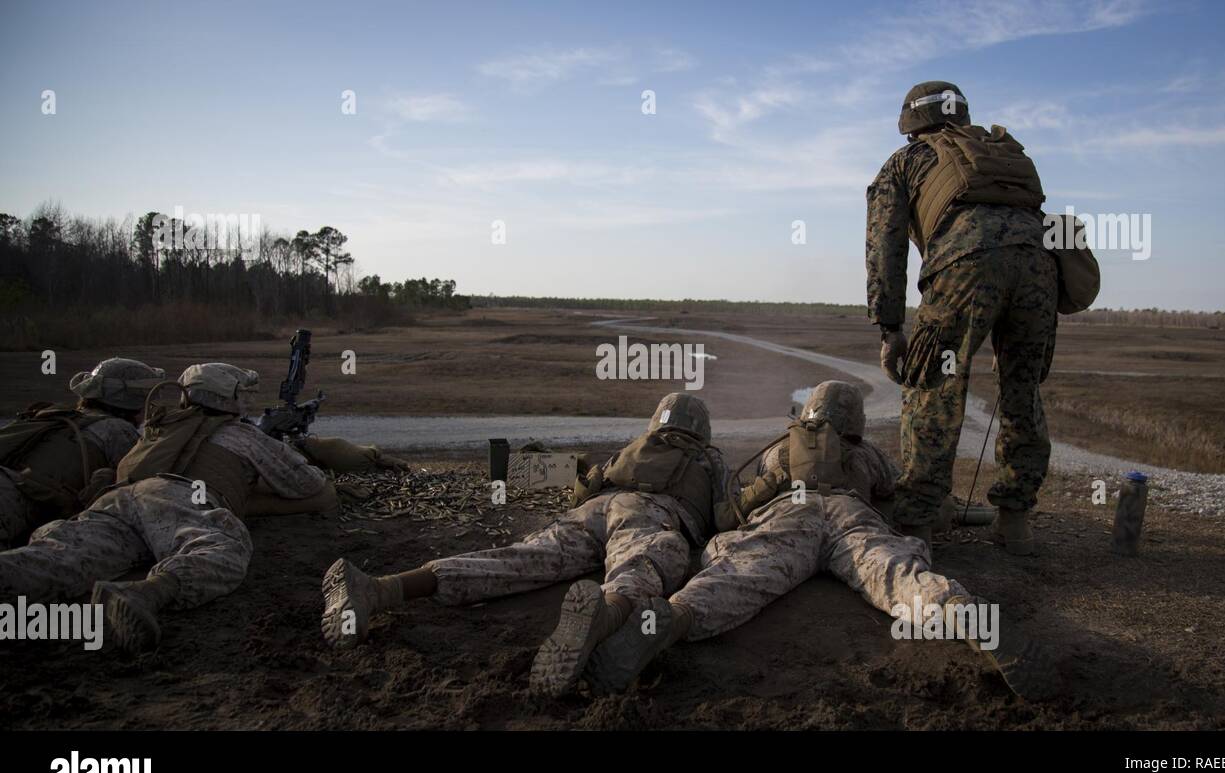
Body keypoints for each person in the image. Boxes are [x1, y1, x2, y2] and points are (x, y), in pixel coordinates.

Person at [584, 381, 1058, 700]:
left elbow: (739, 508)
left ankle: (671, 618)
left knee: (741, 575)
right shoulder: (868, 454)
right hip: (853, 518)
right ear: (854, 419)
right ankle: (963, 613)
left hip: (789, 513)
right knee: (898, 577)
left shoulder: (777, 450)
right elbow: (911, 503)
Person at [320, 392, 733, 697]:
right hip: (649, 514)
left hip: (592, 511)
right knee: (646, 563)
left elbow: (583, 488)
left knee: (520, 558)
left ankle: (381, 588)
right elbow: (726, 518)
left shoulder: (633, 449)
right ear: (703, 429)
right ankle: (602, 619)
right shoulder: (708, 459)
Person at [0, 363, 330, 655]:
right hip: (179, 499)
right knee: (223, 549)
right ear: (234, 399)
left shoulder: (159, 427)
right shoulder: (242, 435)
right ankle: (147, 594)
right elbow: (309, 484)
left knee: (62, 556)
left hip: (121, 498)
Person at [867, 80, 1057, 554]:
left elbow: (884, 249)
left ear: (911, 122)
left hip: (964, 270)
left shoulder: (906, 161)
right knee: (1022, 390)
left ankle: (919, 525)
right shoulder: (1005, 154)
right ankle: (1015, 522)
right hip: (1039, 270)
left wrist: (889, 328)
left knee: (934, 389)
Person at [0, 358, 164, 547]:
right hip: (12, 506)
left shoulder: (54, 416)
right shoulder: (117, 430)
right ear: (133, 401)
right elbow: (139, 488)